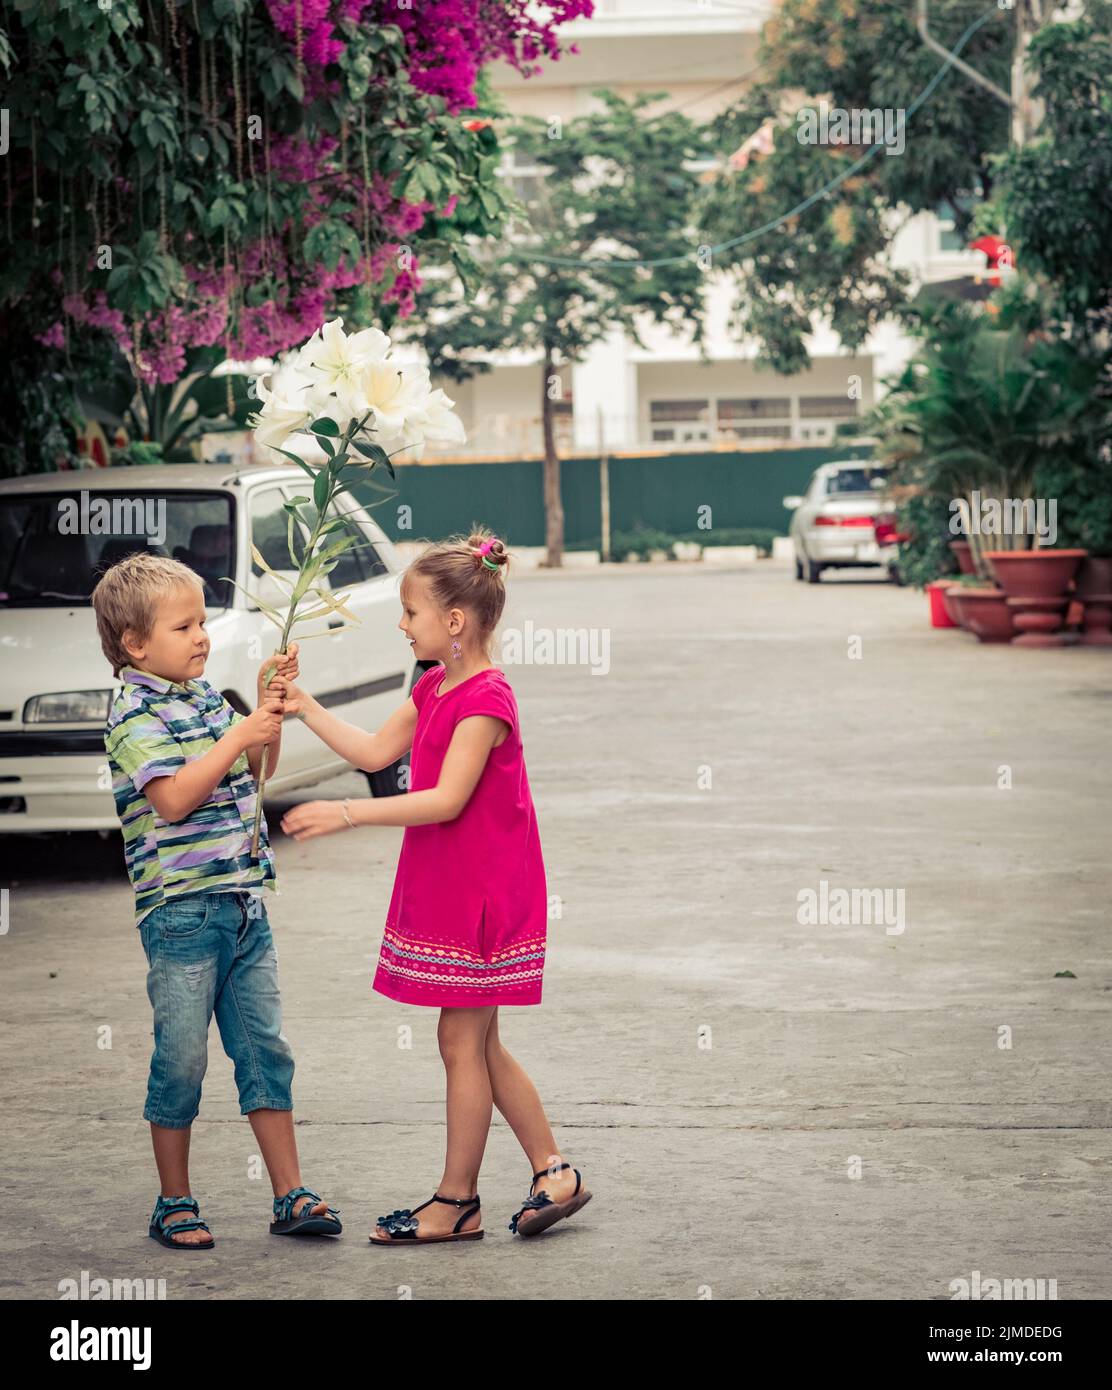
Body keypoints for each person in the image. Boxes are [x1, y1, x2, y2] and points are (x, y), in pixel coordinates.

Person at [280, 530, 592, 1242]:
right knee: (478, 1043)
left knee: (461, 1036)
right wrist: (304, 706)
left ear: (454, 622)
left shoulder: (486, 699)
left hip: (484, 892)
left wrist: (347, 812)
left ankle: (456, 1203)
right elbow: (372, 751)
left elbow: (448, 799)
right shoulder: (432, 685)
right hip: (452, 885)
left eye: (410, 612)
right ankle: (553, 1169)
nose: (401, 624)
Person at [92, 552, 341, 1248]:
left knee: (264, 1049)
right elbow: (171, 800)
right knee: (182, 1058)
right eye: (184, 626)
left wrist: (267, 711)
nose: (202, 636)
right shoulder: (132, 713)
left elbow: (259, 769)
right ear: (136, 644)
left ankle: (290, 1193)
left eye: (203, 621)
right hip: (181, 917)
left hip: (243, 905)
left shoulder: (204, 698)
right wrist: (238, 730)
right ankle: (174, 1199)